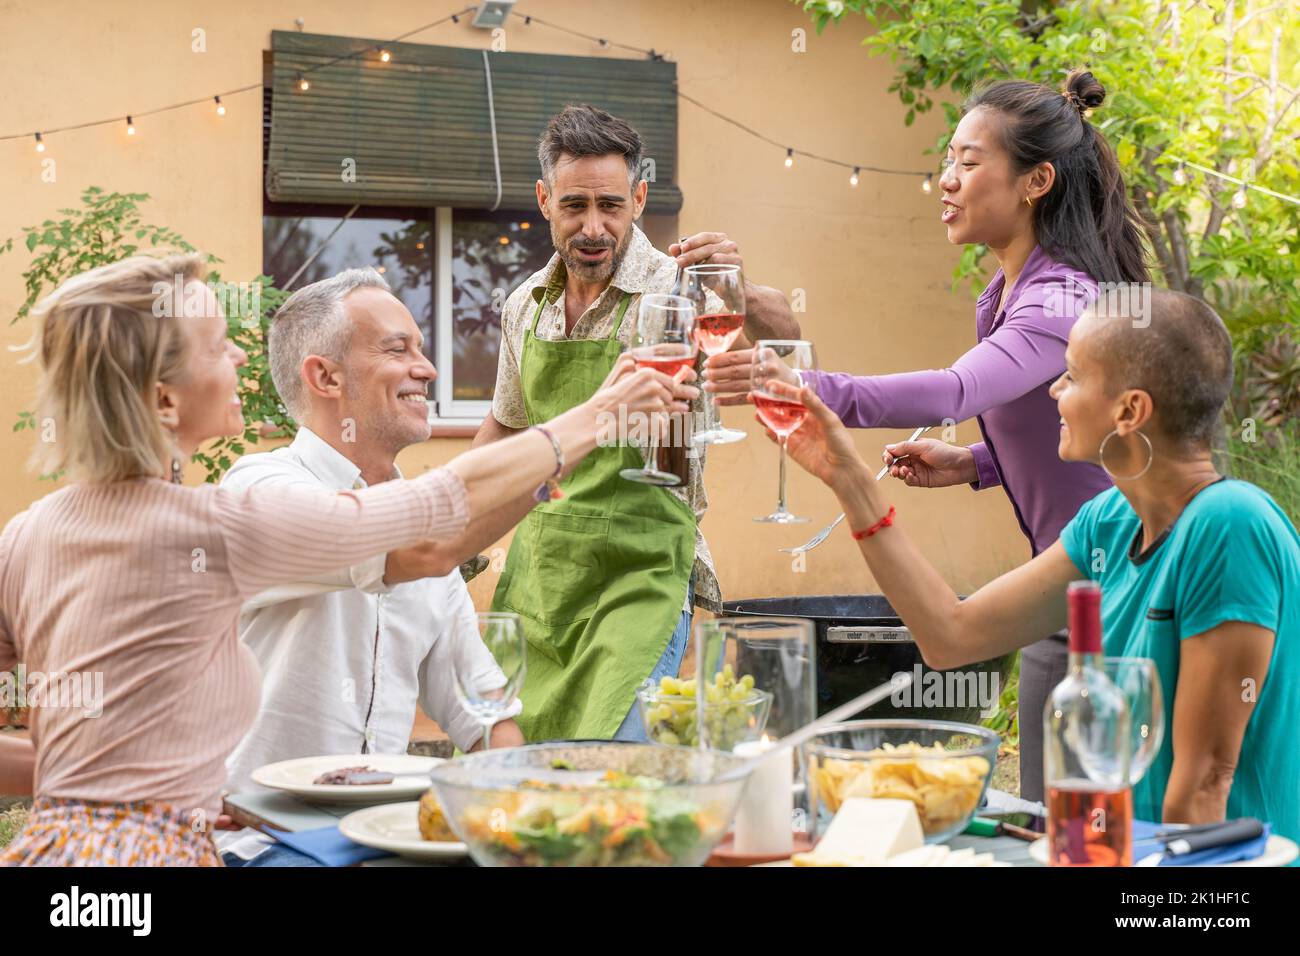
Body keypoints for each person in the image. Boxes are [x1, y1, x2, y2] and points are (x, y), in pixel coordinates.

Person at [0, 252, 693, 866]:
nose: (240, 356)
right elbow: (428, 529)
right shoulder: (232, 516)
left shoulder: (27, 535)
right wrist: (598, 415)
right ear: (161, 397)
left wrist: (102, 785)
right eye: (216, 347)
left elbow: (480, 703)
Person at [704, 70, 1149, 801]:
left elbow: (956, 390)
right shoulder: (1006, 292)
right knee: (1051, 816)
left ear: (1036, 181)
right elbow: (1076, 434)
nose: (946, 180)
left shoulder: (1057, 298)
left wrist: (809, 388)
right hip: (1066, 585)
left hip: (1120, 586)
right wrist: (978, 463)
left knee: (1092, 824)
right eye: (948, 160)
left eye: (969, 162)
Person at [761, 289, 1300, 842]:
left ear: (1130, 411)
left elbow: (1204, 784)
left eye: (1071, 376)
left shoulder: (1231, 525)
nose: (1054, 391)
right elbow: (952, 635)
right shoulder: (1110, 521)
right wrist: (848, 479)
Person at [473, 104, 801, 741]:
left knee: (620, 767)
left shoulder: (680, 282)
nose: (593, 227)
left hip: (641, 570)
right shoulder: (524, 307)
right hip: (541, 577)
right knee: (518, 782)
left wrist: (743, 287)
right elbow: (506, 429)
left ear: (639, 198)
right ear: (544, 199)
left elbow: (785, 335)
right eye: (574, 206)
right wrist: (438, 519)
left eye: (610, 205)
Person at [215, 267, 528, 866]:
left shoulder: (425, 527)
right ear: (326, 376)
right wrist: (568, 441)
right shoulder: (259, 490)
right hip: (258, 844)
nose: (428, 369)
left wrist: (525, 816)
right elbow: (410, 547)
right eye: (397, 348)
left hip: (379, 837)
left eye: (422, 348)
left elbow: (486, 712)